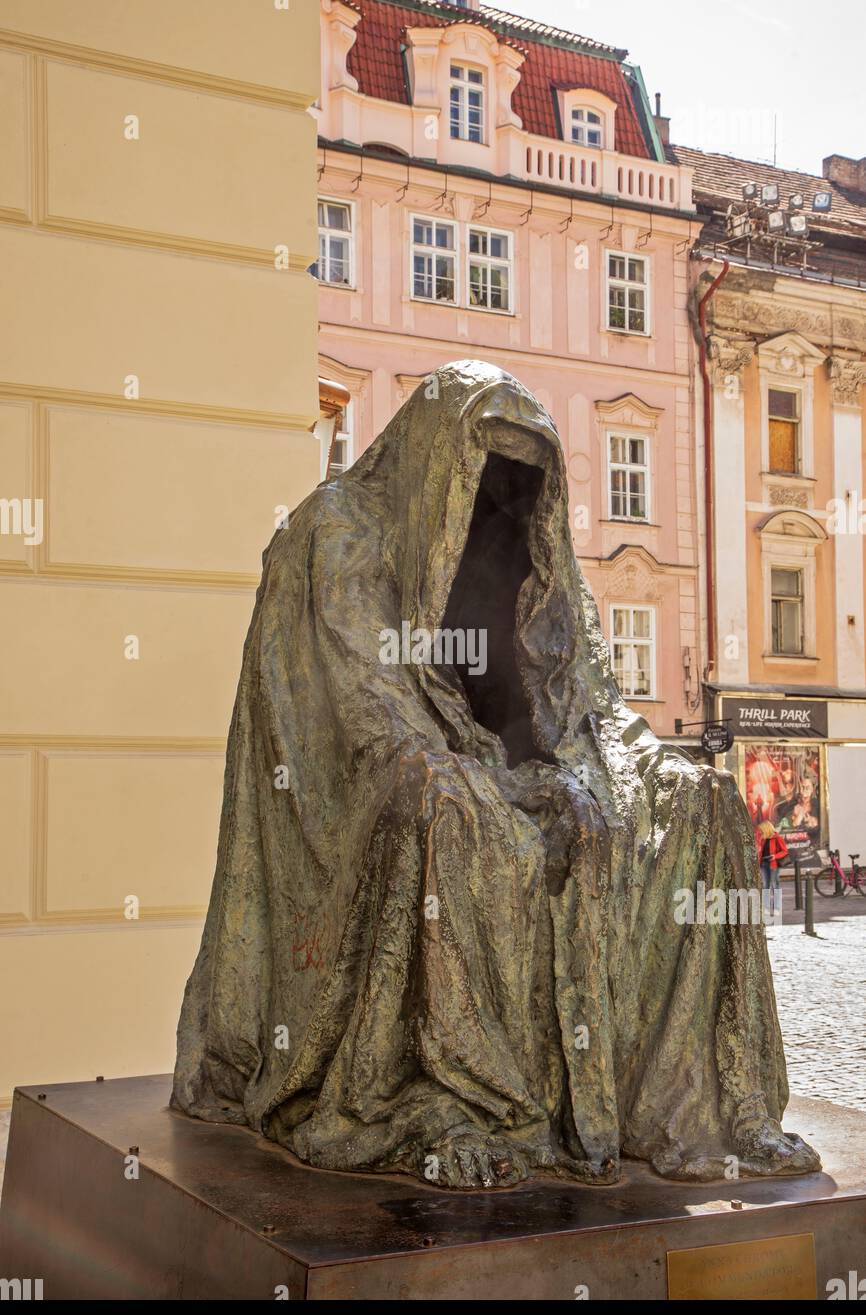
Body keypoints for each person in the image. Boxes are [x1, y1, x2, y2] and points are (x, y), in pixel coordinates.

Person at [172, 361, 819, 1188]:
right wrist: (500, 781)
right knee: (445, 804)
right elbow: (366, 708)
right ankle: (452, 1102)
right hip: (388, 785)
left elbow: (587, 703)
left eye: (524, 478)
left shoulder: (527, 548)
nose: (505, 496)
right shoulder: (338, 531)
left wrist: (637, 769)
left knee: (701, 803)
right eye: (489, 471)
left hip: (507, 769)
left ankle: (699, 1104)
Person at [757, 819, 788, 924]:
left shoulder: (777, 838)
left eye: (762, 829)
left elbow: (785, 851)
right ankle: (766, 908)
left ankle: (777, 909)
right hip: (763, 864)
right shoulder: (763, 839)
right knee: (765, 886)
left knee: (775, 885)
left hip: (773, 864)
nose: (760, 832)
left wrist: (775, 856)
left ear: (767, 828)